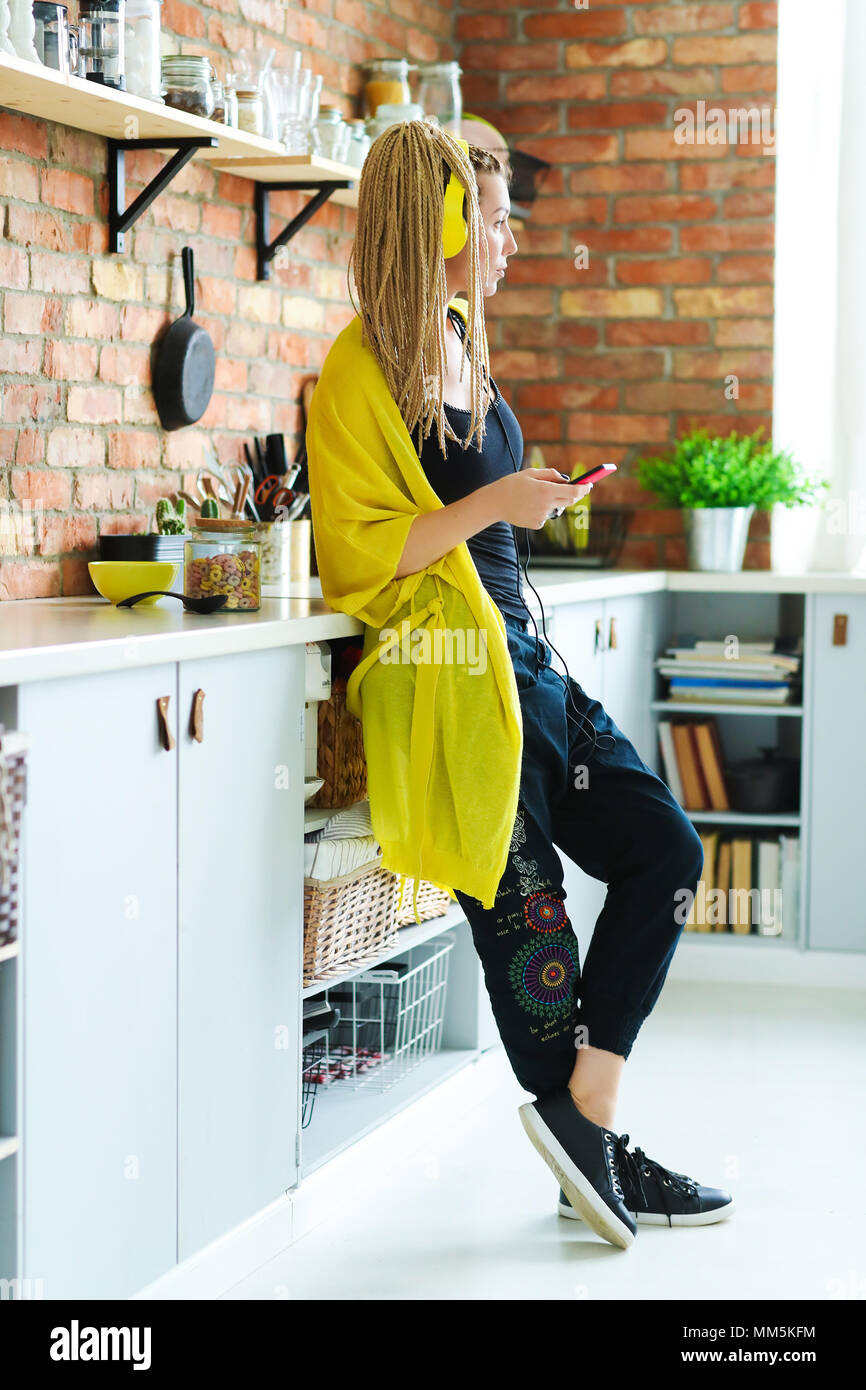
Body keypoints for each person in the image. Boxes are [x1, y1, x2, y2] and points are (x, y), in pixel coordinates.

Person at [307, 120, 733, 1249]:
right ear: (439, 225)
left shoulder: (462, 340)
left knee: (666, 851)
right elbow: (357, 556)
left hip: (528, 672)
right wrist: (498, 502)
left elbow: (476, 514)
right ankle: (599, 1152)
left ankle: (589, 1129)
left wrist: (522, 497)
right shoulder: (357, 372)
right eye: (492, 222)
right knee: (535, 947)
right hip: (452, 687)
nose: (506, 242)